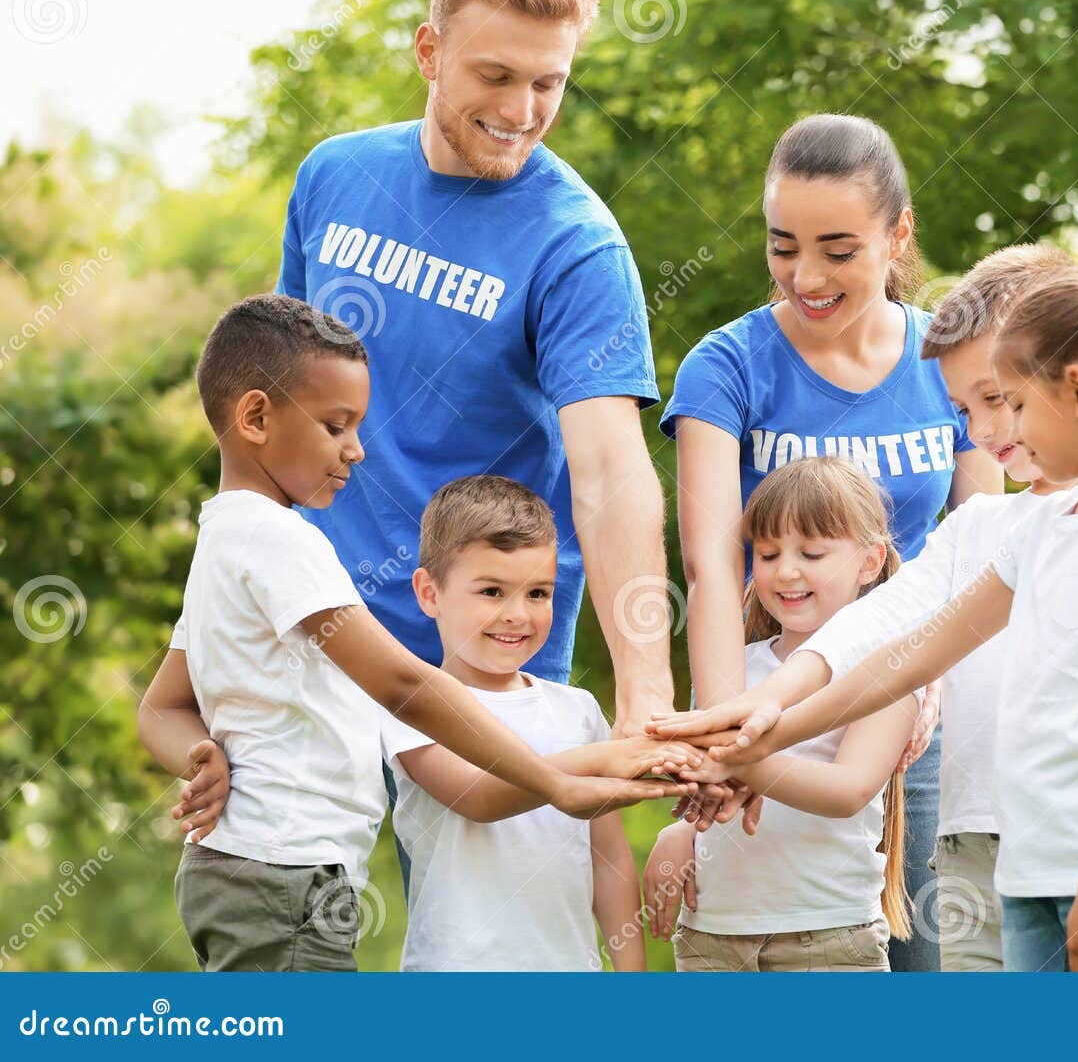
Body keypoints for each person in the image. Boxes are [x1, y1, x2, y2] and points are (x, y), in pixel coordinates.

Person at [692, 259, 1078, 972]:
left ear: (1074, 389)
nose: (987, 431)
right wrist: (763, 730)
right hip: (1026, 878)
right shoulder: (1029, 530)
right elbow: (904, 651)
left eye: (1009, 401)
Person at [136, 296, 677, 972]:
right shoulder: (279, 539)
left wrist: (197, 753)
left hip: (257, 872)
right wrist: (554, 778)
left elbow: (160, 705)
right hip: (283, 872)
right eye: (336, 426)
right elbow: (400, 682)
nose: (357, 449)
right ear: (255, 416)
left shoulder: (224, 541)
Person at [274, 0, 673, 732]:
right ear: (430, 52)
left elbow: (609, 472)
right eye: (495, 75)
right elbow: (275, 408)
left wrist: (645, 699)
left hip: (485, 666)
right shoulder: (333, 177)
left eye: (548, 83)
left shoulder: (576, 244)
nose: (522, 109)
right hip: (316, 633)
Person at [651, 245, 1077, 969]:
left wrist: (750, 752)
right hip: (975, 842)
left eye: (996, 401)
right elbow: (886, 627)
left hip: (1069, 846)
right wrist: (744, 738)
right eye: (965, 410)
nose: (976, 431)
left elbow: (910, 664)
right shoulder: (976, 533)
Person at [382, 475, 700, 971]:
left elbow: (608, 859)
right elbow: (478, 797)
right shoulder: (417, 705)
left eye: (538, 593)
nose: (517, 615)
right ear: (430, 593)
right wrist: (604, 759)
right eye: (491, 591)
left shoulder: (577, 710)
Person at [644, 458, 917, 971]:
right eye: (768, 554)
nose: (785, 571)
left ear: (869, 561)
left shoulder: (890, 671)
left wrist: (739, 762)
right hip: (712, 936)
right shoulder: (734, 667)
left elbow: (848, 790)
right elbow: (707, 788)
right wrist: (678, 833)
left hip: (828, 937)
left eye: (811, 553)